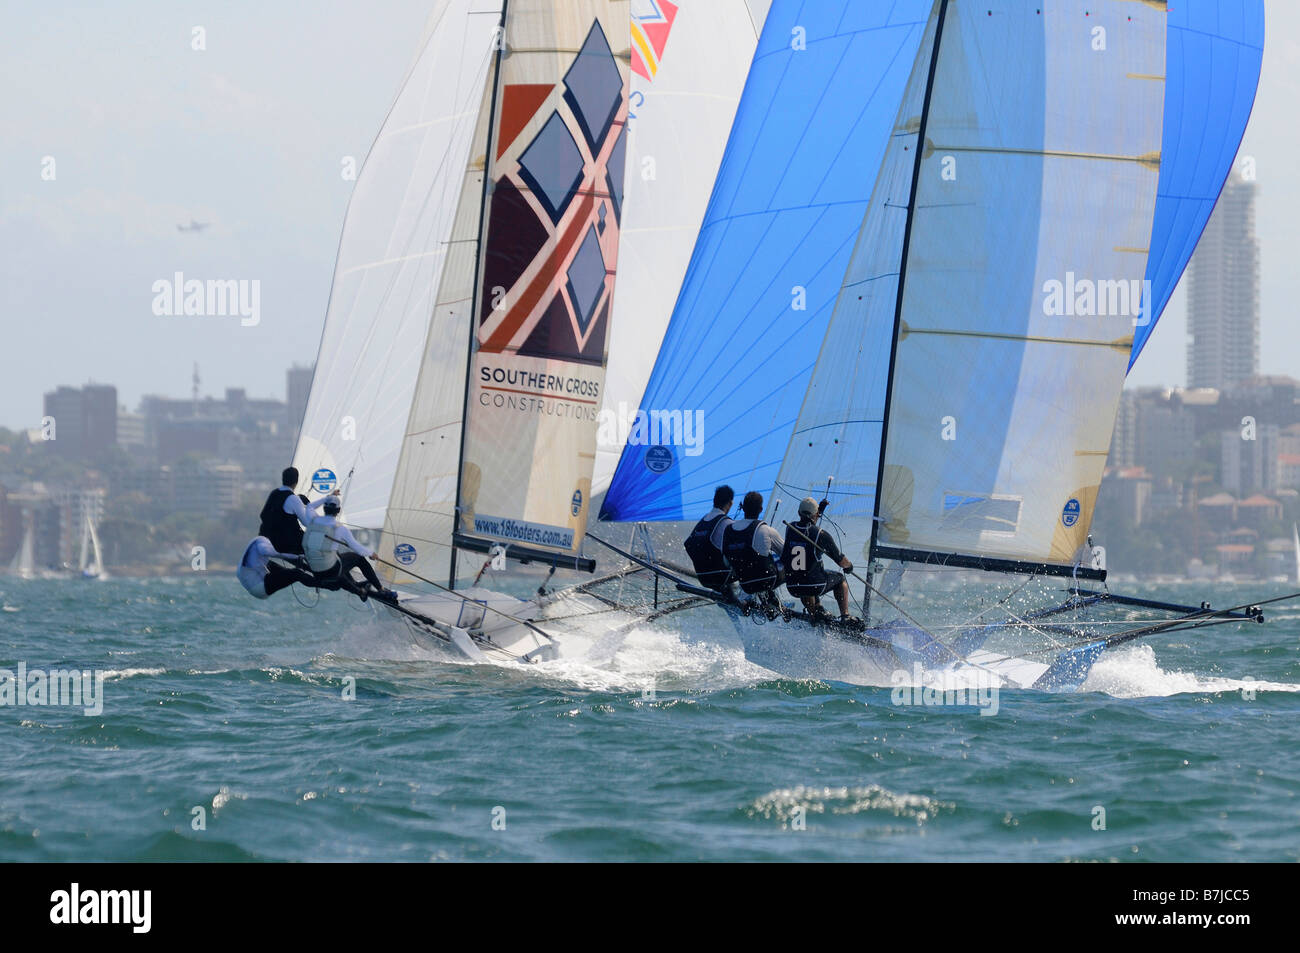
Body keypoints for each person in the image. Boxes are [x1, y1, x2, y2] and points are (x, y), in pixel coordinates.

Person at [303, 496, 394, 602]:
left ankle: (355, 585)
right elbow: (356, 548)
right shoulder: (340, 528)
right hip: (330, 571)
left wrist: (327, 498)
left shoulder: (312, 520)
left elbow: (309, 507)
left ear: (324, 508)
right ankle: (380, 588)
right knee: (358, 558)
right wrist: (371, 553)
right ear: (338, 511)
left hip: (315, 570)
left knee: (336, 556)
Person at [782, 497, 857, 624]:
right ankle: (845, 616)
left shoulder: (790, 528)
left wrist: (819, 511)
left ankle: (815, 612)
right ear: (816, 514)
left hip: (793, 586)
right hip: (813, 586)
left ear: (799, 513)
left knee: (803, 575)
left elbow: (807, 525)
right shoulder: (821, 535)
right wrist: (849, 566)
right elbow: (841, 561)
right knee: (840, 579)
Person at [721, 490, 785, 599]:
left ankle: (767, 600)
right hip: (767, 582)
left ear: (743, 508)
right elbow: (788, 553)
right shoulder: (766, 530)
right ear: (760, 509)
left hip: (745, 585)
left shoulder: (728, 530)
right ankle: (812, 600)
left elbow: (726, 560)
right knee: (795, 562)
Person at [258, 467, 329, 554]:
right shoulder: (293, 498)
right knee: (320, 543)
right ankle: (319, 565)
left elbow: (266, 514)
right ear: (296, 482)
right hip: (287, 544)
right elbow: (307, 523)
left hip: (268, 540)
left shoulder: (274, 493)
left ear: (283, 479)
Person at [683, 485, 735, 597]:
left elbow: (688, 544)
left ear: (714, 500)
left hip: (702, 577)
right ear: (730, 504)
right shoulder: (728, 524)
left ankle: (728, 594)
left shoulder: (705, 519)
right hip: (721, 577)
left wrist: (701, 563)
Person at [236, 535, 318, 599]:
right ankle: (322, 583)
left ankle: (313, 573)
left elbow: (284, 556)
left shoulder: (257, 546)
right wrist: (300, 555)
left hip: (253, 583)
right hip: (259, 587)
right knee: (296, 573)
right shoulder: (262, 543)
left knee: (285, 570)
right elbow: (277, 553)